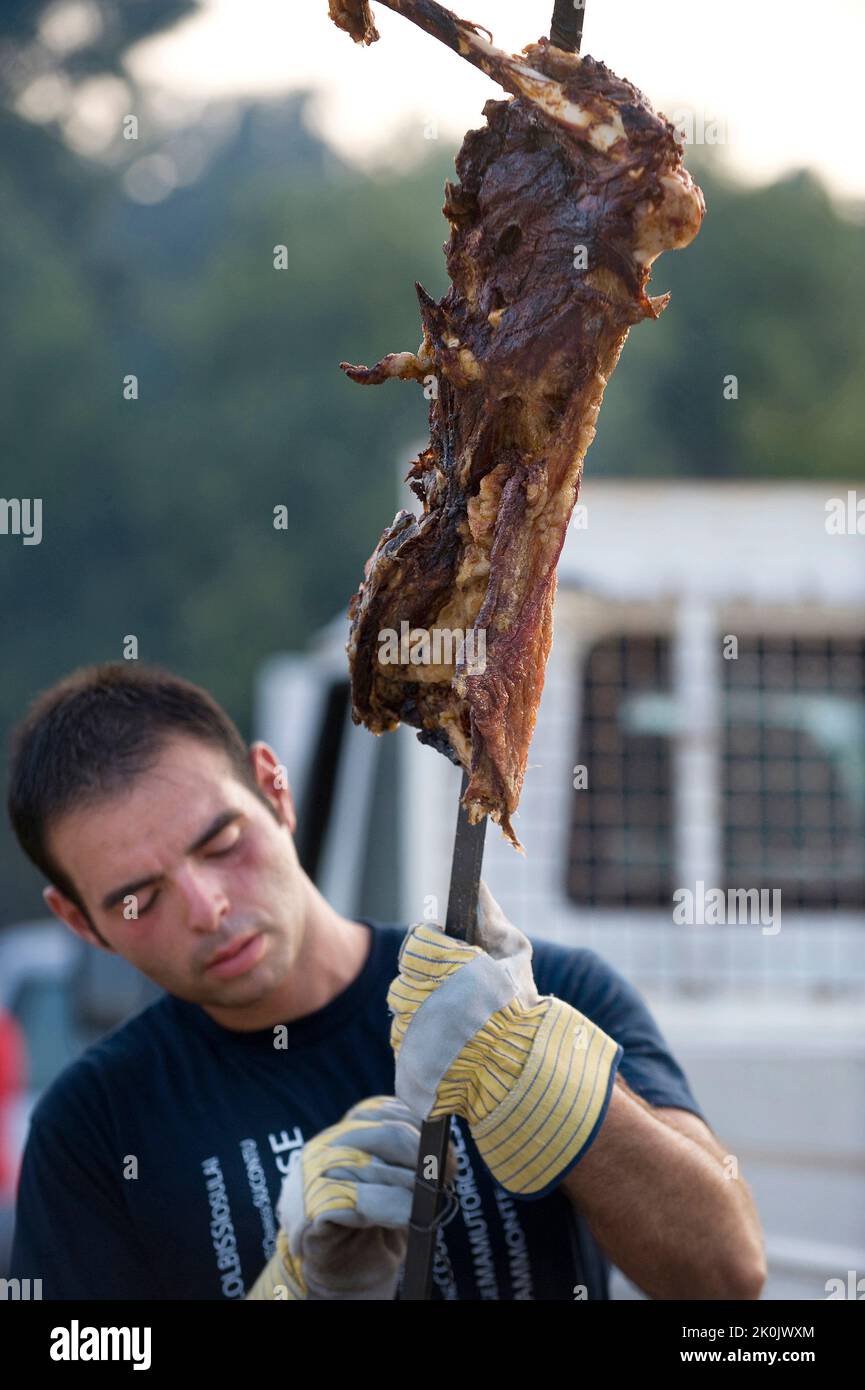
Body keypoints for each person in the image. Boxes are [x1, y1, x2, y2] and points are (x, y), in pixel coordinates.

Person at [7, 662, 766, 1300]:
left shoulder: (540, 988)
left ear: (275, 791)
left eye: (222, 844)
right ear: (79, 922)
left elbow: (726, 1276)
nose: (208, 909)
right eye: (140, 899)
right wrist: (290, 1289)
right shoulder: (93, 1130)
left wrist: (547, 1079)